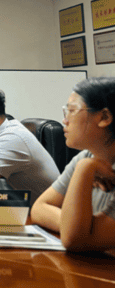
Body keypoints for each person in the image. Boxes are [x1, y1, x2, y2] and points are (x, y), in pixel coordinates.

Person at [31, 77, 115, 251]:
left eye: (72, 110)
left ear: (104, 117)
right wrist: (72, 224)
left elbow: (73, 239)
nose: (65, 120)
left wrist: (85, 168)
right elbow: (39, 208)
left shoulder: (85, 163)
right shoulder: (86, 156)